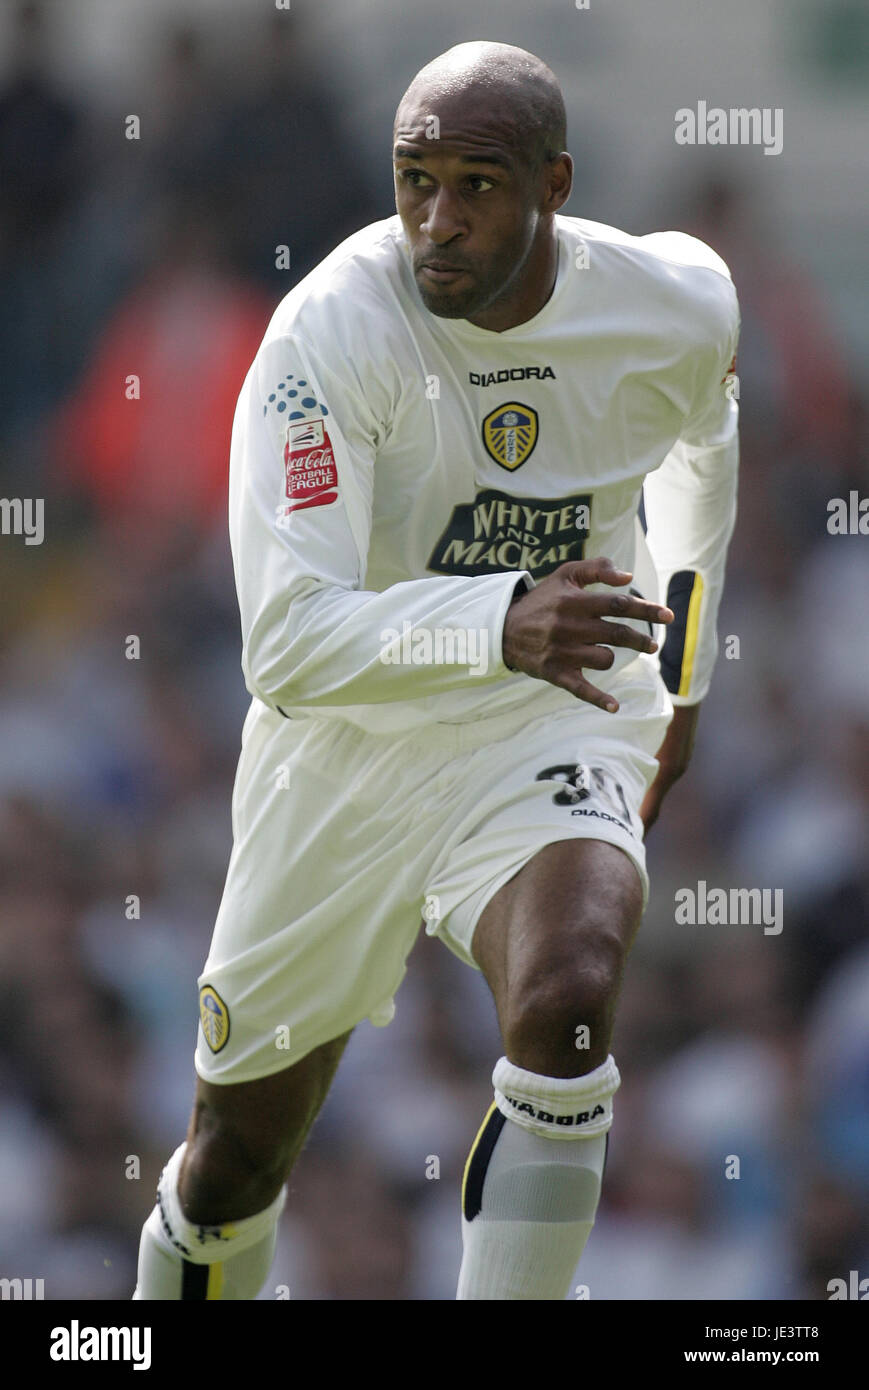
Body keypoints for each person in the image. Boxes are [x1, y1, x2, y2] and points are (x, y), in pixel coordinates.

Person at [134, 39, 739, 1301]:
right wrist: (498, 616)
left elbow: (701, 436)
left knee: (570, 989)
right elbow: (287, 644)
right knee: (234, 1165)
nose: (435, 221)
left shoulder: (670, 303)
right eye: (414, 180)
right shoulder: (329, 331)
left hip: (546, 716)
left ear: (554, 185)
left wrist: (680, 672)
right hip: (345, 748)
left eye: (477, 184)